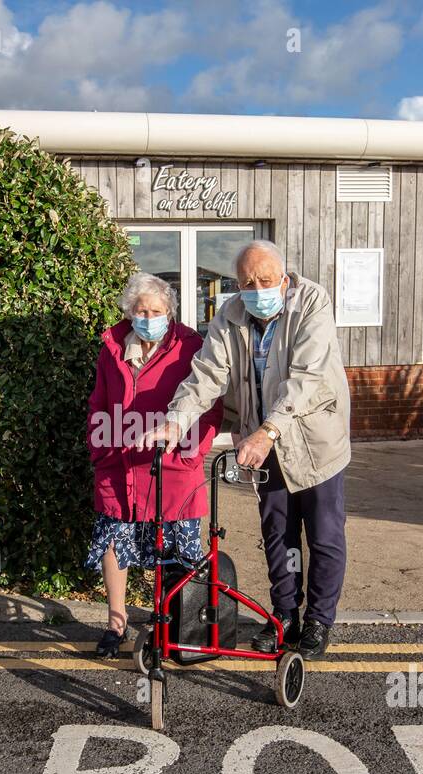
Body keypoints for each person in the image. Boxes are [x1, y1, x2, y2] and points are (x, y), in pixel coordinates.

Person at [135, 240, 350, 661]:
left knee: (323, 537)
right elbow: (207, 375)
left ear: (284, 279)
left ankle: (319, 621)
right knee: (278, 535)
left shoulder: (311, 303)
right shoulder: (231, 315)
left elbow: (308, 379)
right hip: (263, 444)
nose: (257, 289)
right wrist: (176, 419)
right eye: (248, 282)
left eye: (265, 281)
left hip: (314, 443)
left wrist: (267, 431)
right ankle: (285, 616)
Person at [85, 272, 223, 658]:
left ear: (170, 312)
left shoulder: (191, 345)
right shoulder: (113, 346)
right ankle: (116, 624)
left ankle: (177, 629)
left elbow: (210, 407)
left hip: (174, 467)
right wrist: (100, 448)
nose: (149, 317)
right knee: (115, 540)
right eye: (141, 310)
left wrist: (189, 455)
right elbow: (99, 401)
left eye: (157, 310)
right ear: (130, 312)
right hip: (120, 463)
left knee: (179, 552)